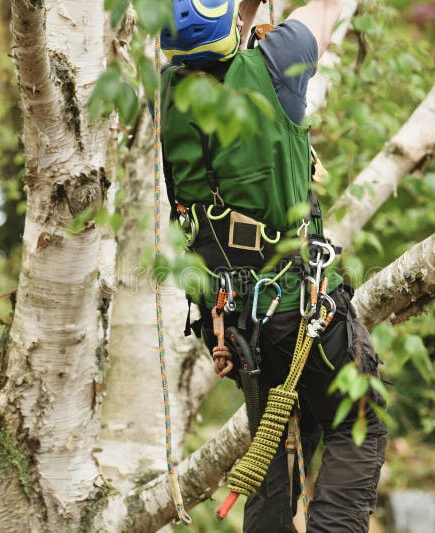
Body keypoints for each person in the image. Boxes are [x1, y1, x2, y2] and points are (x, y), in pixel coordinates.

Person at [159, 1, 387, 531]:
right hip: (294, 307)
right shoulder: (274, 65)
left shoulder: (168, 93)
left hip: (233, 323)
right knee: (359, 427)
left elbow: (210, 39)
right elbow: (330, 7)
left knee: (275, 446)